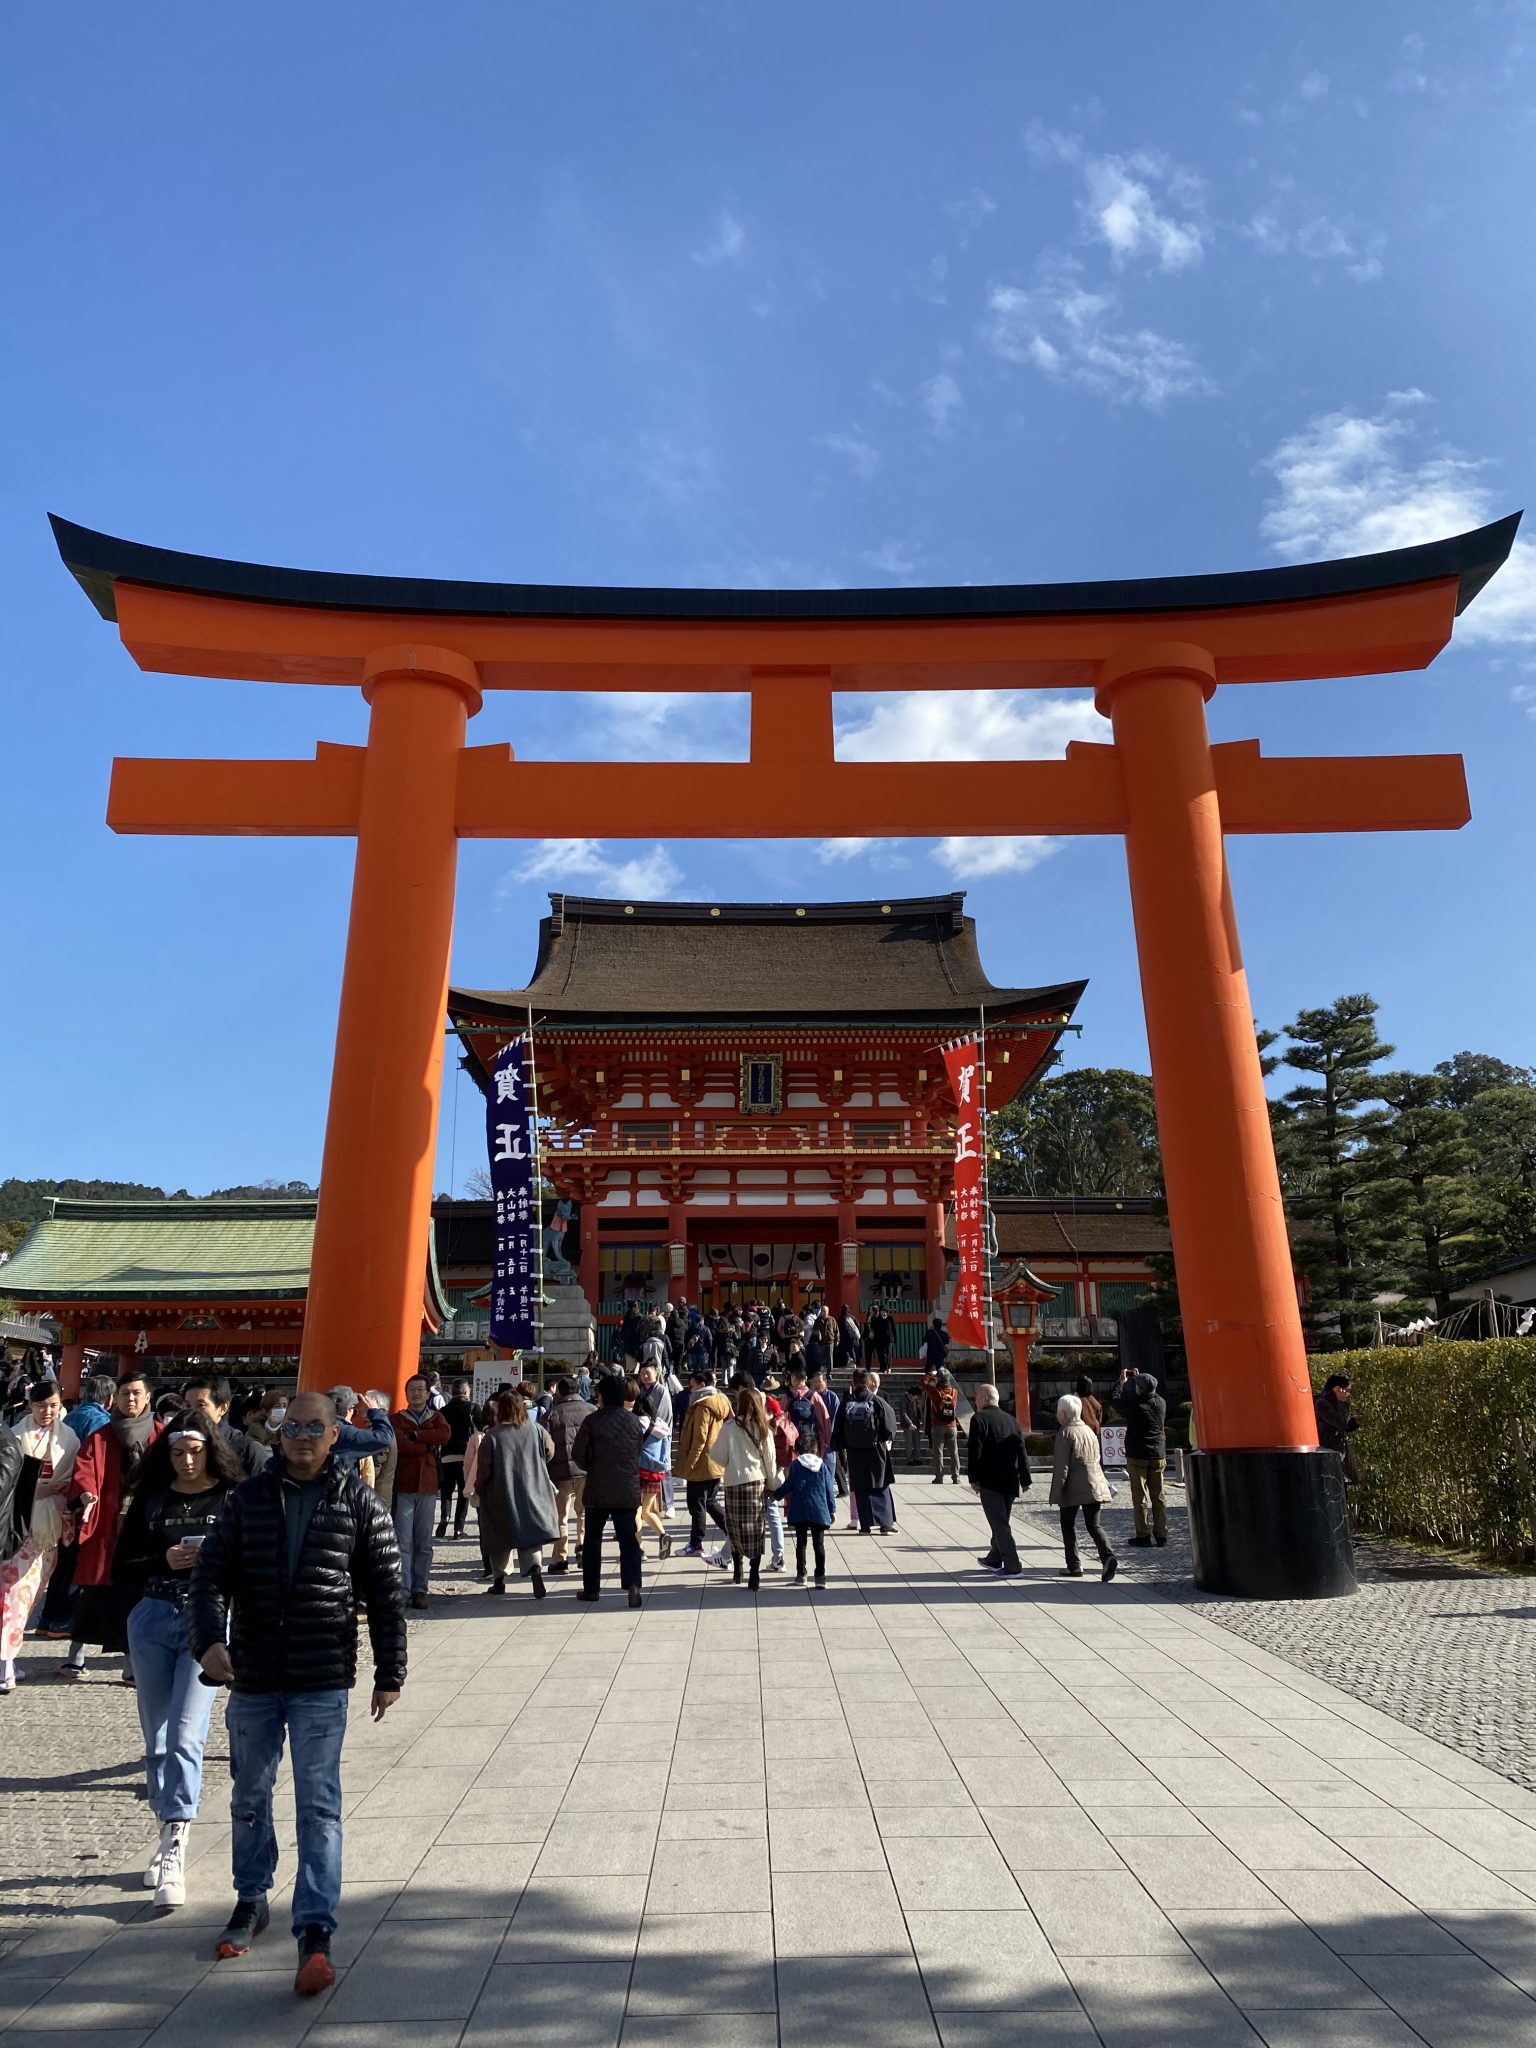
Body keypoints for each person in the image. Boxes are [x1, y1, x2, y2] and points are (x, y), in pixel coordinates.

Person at [188, 1391, 406, 1994]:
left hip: (319, 1675)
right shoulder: (247, 1500)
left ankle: (314, 1928)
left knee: (319, 1803)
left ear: (337, 1435)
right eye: (294, 1427)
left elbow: (386, 1591)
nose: (304, 1437)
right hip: (253, 1672)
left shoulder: (358, 1502)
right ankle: (251, 1896)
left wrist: (391, 1671)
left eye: (317, 1427)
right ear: (279, 1434)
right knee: (250, 1794)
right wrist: (207, 1640)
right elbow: (210, 1577)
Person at [114, 1409, 243, 1907]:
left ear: (211, 1449)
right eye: (176, 1452)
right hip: (151, 1614)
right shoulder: (152, 1497)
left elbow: (250, 1560)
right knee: (157, 1737)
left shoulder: (231, 1497)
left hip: (205, 1622)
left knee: (187, 1733)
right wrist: (162, 1558)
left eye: (195, 1451)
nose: (186, 1461)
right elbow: (122, 1564)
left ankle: (176, 1842)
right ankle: (166, 1823)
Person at [62, 1369, 158, 1682]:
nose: (131, 1399)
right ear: (115, 1397)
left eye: (137, 1393)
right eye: (125, 1393)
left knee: (136, 1595)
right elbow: (85, 1467)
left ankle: (132, 1667)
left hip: (142, 1526)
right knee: (92, 1593)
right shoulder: (101, 1435)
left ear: (147, 1397)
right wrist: (87, 1494)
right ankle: (75, 1657)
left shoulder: (159, 1434)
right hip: (105, 1522)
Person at [0, 1381, 81, 1693]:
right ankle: (5, 1664)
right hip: (19, 1523)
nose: (47, 1411)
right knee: (11, 1595)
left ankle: (8, 1660)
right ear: (29, 1406)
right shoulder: (15, 1436)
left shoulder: (69, 1437)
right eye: (40, 1405)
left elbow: (72, 1479)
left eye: (53, 1405)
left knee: (29, 1595)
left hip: (49, 1525)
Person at [474, 1388, 559, 1597]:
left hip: (501, 1491)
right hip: (533, 1487)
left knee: (498, 1536)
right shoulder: (536, 1430)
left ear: (499, 1410)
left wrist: (479, 1487)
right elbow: (550, 1450)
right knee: (530, 1534)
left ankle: (500, 1579)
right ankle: (534, 1568)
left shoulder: (492, 1436)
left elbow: (484, 1468)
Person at [572, 1375, 647, 1607]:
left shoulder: (592, 1421)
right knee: (629, 1540)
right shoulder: (634, 1421)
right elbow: (637, 1451)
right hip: (627, 1487)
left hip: (598, 1488)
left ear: (601, 1396)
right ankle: (633, 1584)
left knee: (593, 1540)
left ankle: (592, 1589)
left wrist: (592, 1466)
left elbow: (578, 1454)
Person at [391, 1374, 450, 1609]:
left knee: (424, 1541)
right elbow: (397, 1442)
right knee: (402, 1540)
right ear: (406, 1394)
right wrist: (425, 1445)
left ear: (428, 1393)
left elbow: (444, 1436)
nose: (415, 1393)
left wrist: (415, 1436)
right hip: (403, 1484)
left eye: (420, 1389)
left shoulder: (437, 1417)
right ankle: (403, 1589)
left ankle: (420, 1589)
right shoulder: (396, 1419)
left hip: (427, 1484)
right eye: (411, 1389)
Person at [715, 1381, 777, 1589]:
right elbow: (770, 1459)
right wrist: (773, 1482)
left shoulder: (730, 1427)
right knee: (756, 1529)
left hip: (733, 1482)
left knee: (734, 1527)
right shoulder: (762, 1428)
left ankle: (738, 1568)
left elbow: (718, 1456)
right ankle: (754, 1574)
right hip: (756, 1483)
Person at [1049, 1394, 1117, 1583]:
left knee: (1067, 1525)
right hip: (1094, 1484)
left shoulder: (1065, 1433)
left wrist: (1056, 1493)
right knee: (1094, 1525)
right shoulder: (1089, 1430)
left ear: (1062, 1414)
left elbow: (1062, 1467)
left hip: (1073, 1486)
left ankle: (1074, 1565)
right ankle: (1108, 1556)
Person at [966, 1383, 1031, 1576]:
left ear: (985, 1399)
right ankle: (995, 1557)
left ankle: (1013, 1566)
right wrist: (1025, 1478)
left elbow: (974, 1451)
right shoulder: (1011, 1420)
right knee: (1000, 1520)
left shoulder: (979, 1419)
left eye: (977, 1396)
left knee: (999, 1523)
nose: (975, 1400)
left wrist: (974, 1477)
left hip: (990, 1480)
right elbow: (1022, 1451)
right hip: (1010, 1480)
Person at [833, 1369, 899, 1535]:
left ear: (853, 1382)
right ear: (868, 1382)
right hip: (876, 1450)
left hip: (854, 1451)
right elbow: (890, 1425)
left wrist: (839, 1447)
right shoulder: (877, 1401)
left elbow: (838, 1429)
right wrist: (884, 1439)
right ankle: (885, 1525)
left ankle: (865, 1526)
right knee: (880, 1485)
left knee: (860, 1488)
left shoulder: (846, 1403)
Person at [675, 1367, 731, 1557]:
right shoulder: (722, 1400)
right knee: (710, 1500)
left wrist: (690, 1463)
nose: (689, 1390)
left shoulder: (702, 1405)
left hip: (701, 1462)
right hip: (716, 1460)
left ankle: (696, 1542)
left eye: (691, 1386)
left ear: (701, 1385)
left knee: (697, 1503)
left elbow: (699, 1437)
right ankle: (731, 1531)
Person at [544, 1374, 595, 1576]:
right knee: (583, 1513)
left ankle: (560, 1559)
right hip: (586, 1471)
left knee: (561, 1517)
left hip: (560, 1472)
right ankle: (582, 1547)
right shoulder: (591, 1411)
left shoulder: (551, 1414)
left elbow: (545, 1446)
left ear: (560, 1391)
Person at [777, 1423, 836, 1585]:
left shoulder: (795, 1466)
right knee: (819, 1544)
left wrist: (776, 1495)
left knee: (801, 1543)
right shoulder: (822, 1466)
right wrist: (832, 1510)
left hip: (799, 1509)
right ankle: (820, 1577)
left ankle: (801, 1574)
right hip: (819, 1509)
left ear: (797, 1450)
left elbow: (788, 1485)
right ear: (816, 1450)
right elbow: (829, 1490)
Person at [182, 1376, 271, 1479]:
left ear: (223, 1408)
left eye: (201, 1405)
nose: (192, 1412)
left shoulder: (248, 1450)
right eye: (188, 1406)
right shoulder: (178, 1447)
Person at [1117, 1369, 1168, 1547]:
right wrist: (1140, 1381)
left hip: (1138, 1455)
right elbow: (1149, 1394)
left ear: (1140, 1389)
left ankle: (1143, 1534)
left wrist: (1122, 1383)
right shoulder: (1161, 1403)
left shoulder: (1135, 1406)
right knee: (1158, 1496)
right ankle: (1161, 1534)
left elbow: (1116, 1401)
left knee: (1139, 1497)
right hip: (1158, 1454)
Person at [436, 1379, 476, 1540]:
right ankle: (458, 1529)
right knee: (463, 1492)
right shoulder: (473, 1408)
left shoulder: (443, 1411)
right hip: (466, 1454)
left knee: (446, 1490)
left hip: (447, 1454)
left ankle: (444, 1518)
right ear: (467, 1392)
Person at [1315, 1373, 1360, 1482]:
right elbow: (1340, 1422)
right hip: (1328, 1456)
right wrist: (1342, 1404)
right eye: (1347, 1390)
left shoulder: (1331, 1402)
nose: (1348, 1394)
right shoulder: (1323, 1403)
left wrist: (1353, 1424)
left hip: (1336, 1455)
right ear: (1337, 1389)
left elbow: (1340, 1427)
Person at [928, 1366, 961, 1484]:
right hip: (952, 1425)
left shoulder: (935, 1391)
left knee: (938, 1451)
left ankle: (939, 1476)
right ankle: (956, 1477)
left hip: (938, 1425)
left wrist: (931, 1374)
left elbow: (923, 1382)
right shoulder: (954, 1392)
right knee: (954, 1452)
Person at [865, 1301, 895, 1373]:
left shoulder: (890, 1318)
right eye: (882, 1311)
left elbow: (893, 1329)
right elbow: (873, 1327)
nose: (883, 1313)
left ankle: (888, 1368)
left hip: (889, 1339)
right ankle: (884, 1367)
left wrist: (894, 1339)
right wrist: (869, 1322)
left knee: (888, 1353)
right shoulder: (877, 1319)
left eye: (885, 1311)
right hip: (880, 1339)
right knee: (882, 1354)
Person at [901, 1383, 926, 1465]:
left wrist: (923, 1421)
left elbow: (919, 1412)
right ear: (911, 1394)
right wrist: (910, 1423)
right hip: (907, 1424)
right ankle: (910, 1459)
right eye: (916, 1396)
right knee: (909, 1442)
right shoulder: (904, 1399)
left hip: (916, 1423)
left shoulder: (915, 1401)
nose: (917, 1398)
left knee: (917, 1441)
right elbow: (903, 1413)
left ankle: (917, 1458)